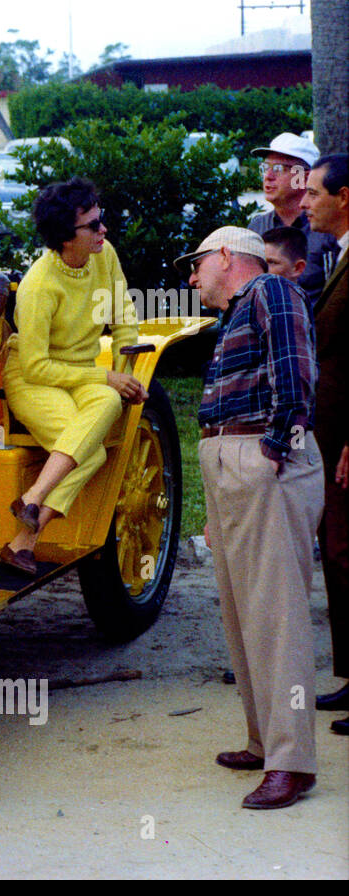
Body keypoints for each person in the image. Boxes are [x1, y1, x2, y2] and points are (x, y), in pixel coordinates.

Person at [178, 225, 322, 809]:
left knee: (277, 617)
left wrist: (275, 451)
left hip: (260, 460)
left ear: (224, 257)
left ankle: (293, 762)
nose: (192, 279)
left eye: (196, 266)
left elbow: (296, 374)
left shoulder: (271, 292)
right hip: (232, 461)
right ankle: (266, 741)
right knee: (244, 615)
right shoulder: (240, 310)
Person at [0, 178, 144, 576]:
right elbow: (35, 367)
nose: (104, 230)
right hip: (34, 379)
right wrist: (105, 380)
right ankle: (25, 536)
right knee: (89, 450)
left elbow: (124, 320)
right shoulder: (38, 286)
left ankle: (30, 504)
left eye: (102, 220)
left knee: (110, 402)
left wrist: (122, 376)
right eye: (93, 226)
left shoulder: (104, 254)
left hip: (80, 375)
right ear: (65, 237)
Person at [300, 153, 349, 735]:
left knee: (344, 551)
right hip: (328, 430)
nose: (304, 200)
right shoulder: (335, 254)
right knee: (337, 552)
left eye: (314, 192)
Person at [247, 132, 339, 305]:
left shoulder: (327, 229)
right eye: (265, 168)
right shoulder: (257, 226)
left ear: (305, 177)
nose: (268, 176)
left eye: (279, 168)